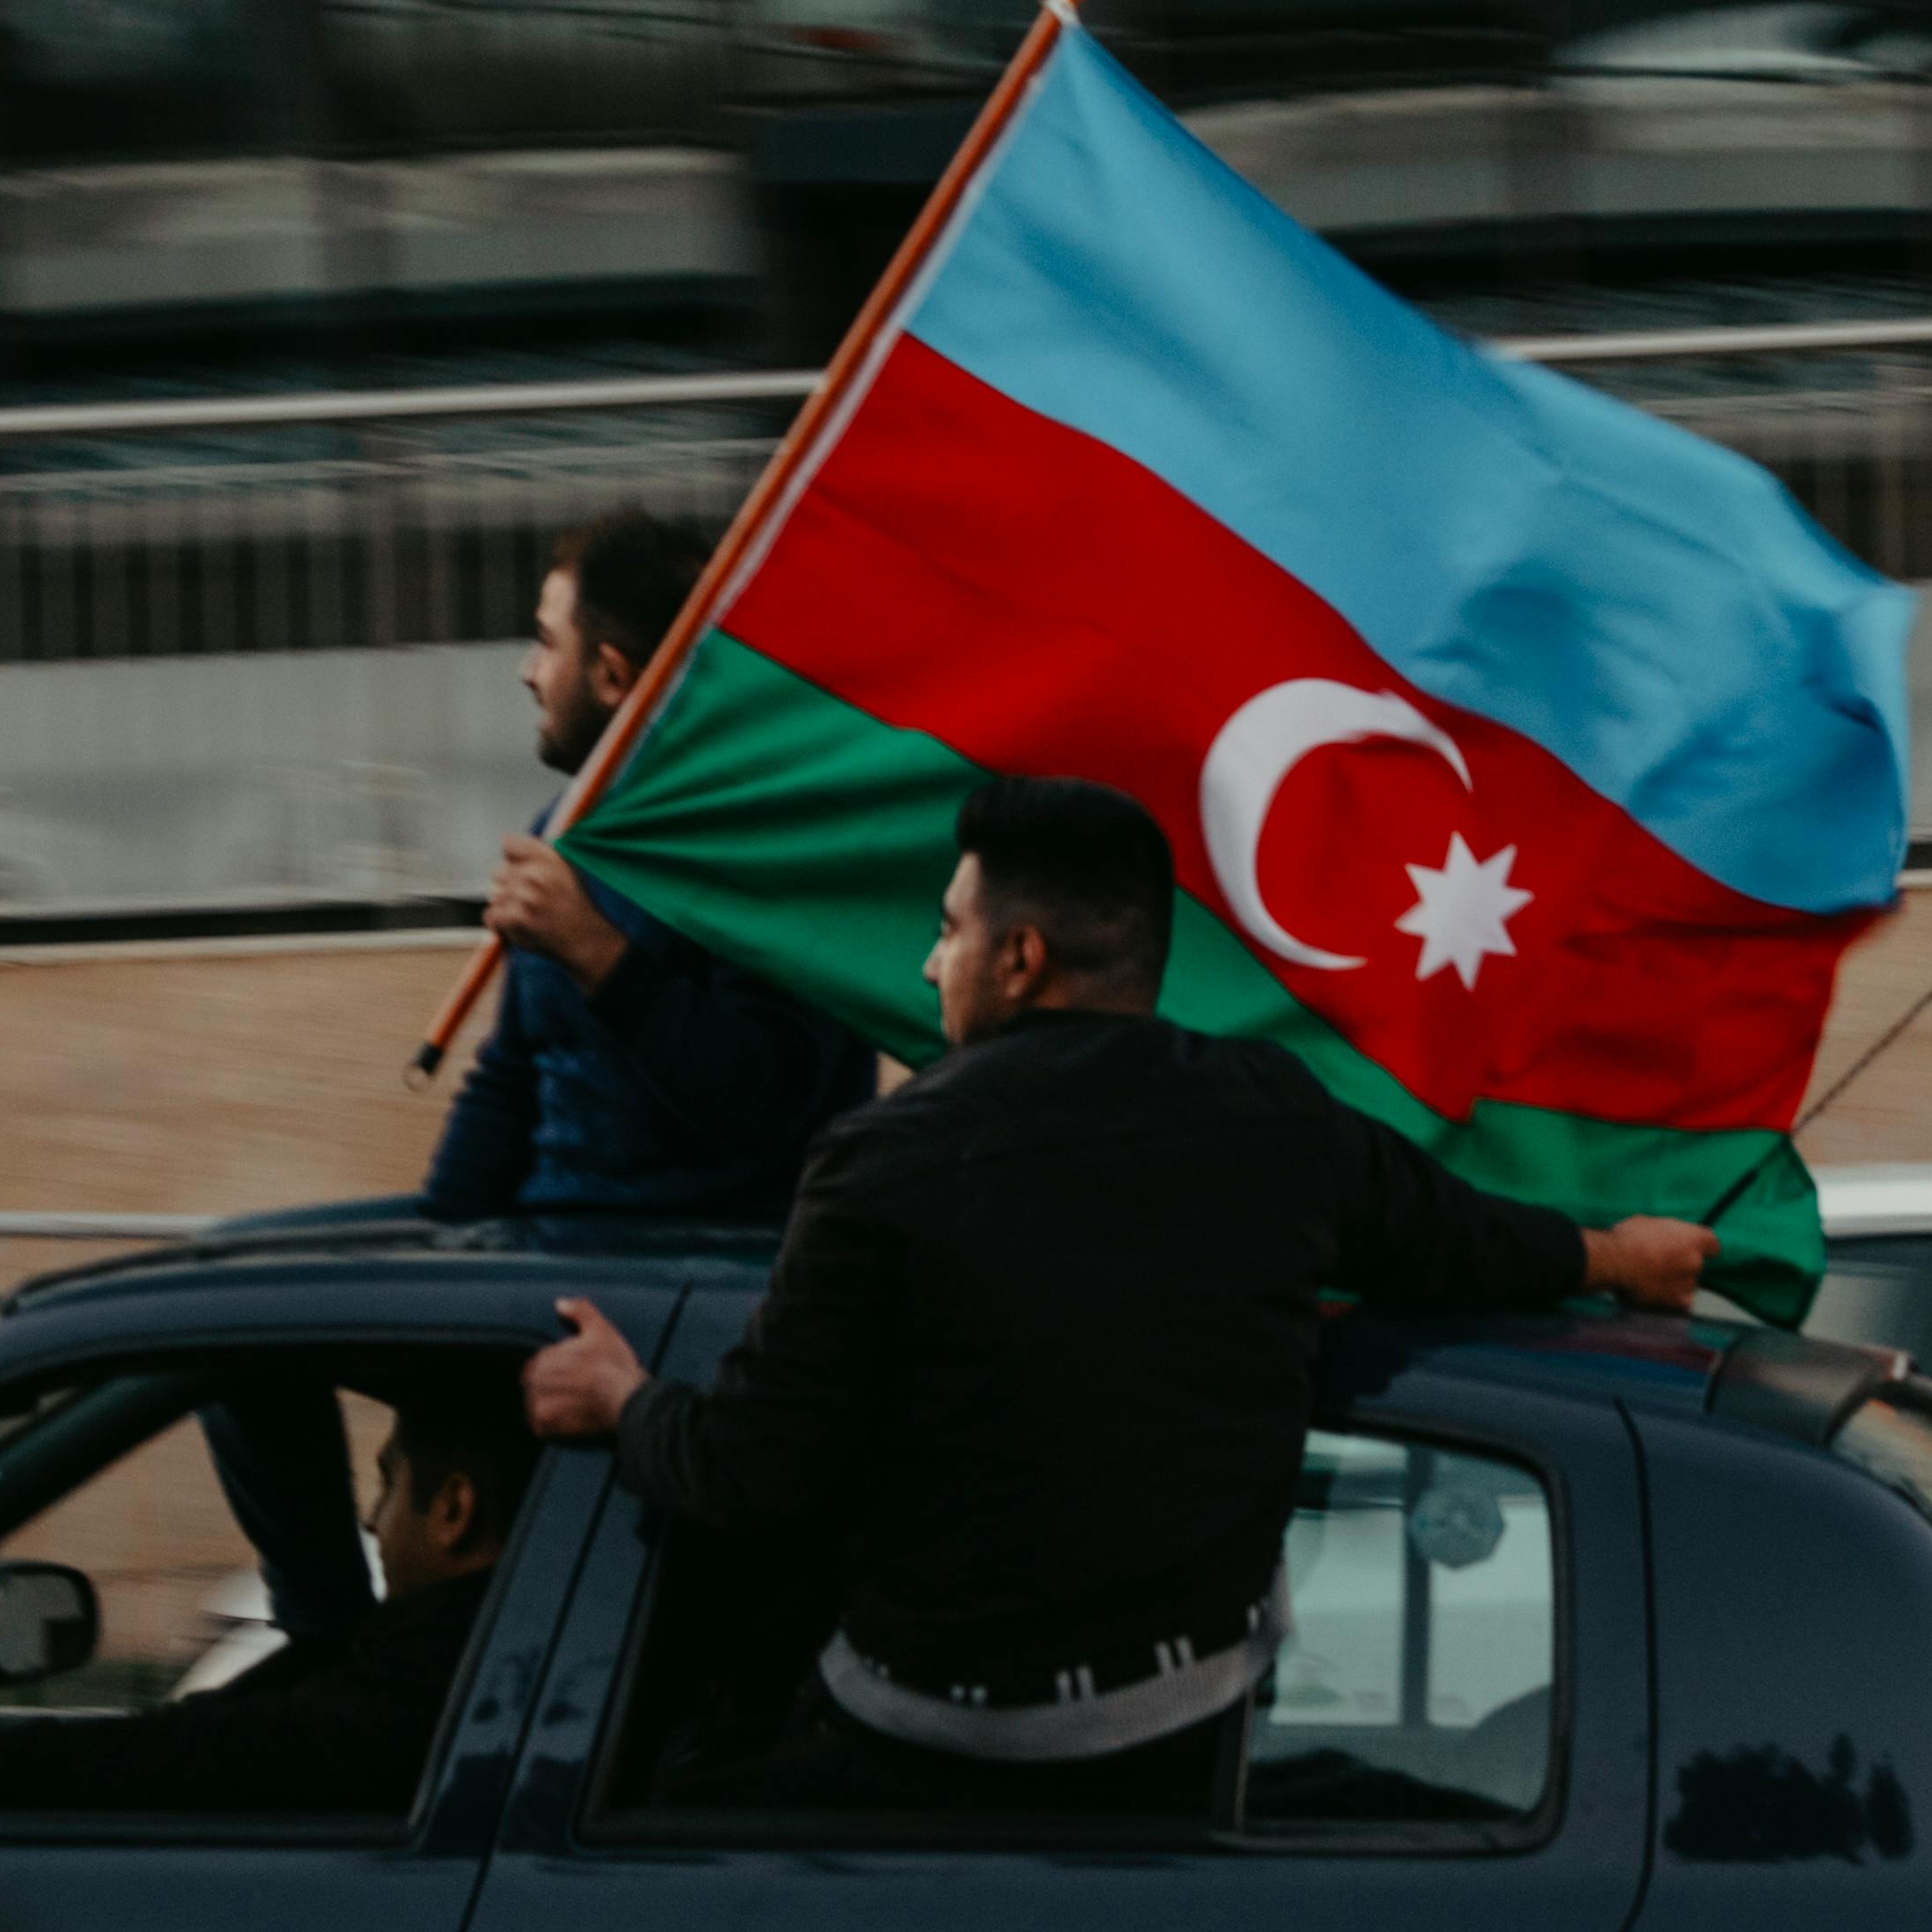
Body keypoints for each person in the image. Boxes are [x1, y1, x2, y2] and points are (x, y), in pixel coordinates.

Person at [521, 774, 1712, 1806]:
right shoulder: (1276, 1117)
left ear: (1021, 958)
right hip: (1194, 1731)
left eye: (947, 930)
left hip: (927, 1754)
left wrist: (623, 1399)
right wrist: (1624, 1259)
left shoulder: (880, 1162)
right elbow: (1465, 1244)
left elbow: (751, 1469)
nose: (931, 964)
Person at [0, 1378, 533, 1820]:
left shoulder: (453, 1665)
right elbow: (243, 1736)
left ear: (453, 1511)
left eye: (388, 1485)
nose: (371, 1519)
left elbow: (251, 1754)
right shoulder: (475, 1649)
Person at [426, 507, 871, 1229]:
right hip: (547, 1235)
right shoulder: (562, 829)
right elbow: (509, 1079)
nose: (528, 672)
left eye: (546, 643)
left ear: (610, 675)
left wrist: (596, 954)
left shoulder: (765, 843)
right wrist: (432, 1260)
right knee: (256, 1257)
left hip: (684, 1261)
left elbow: (769, 1108)